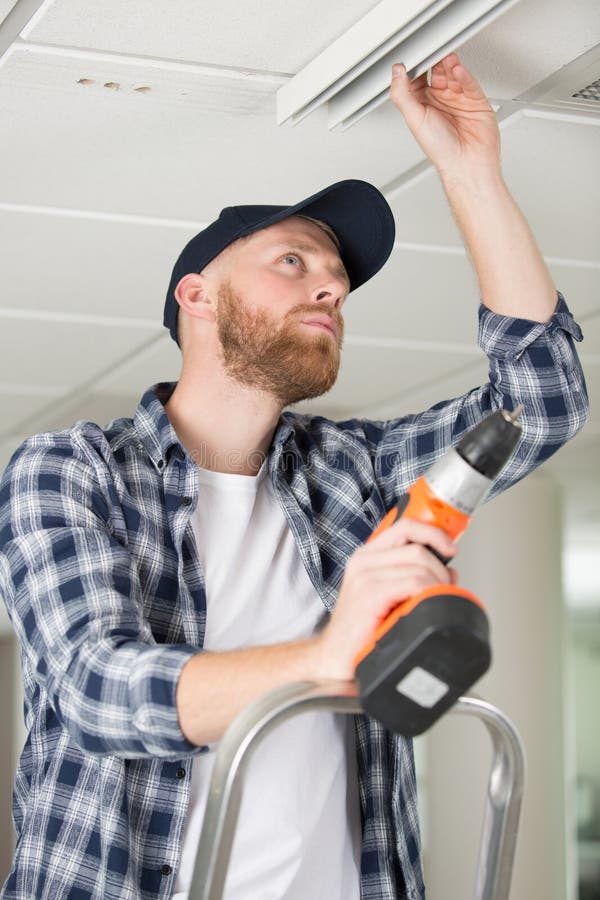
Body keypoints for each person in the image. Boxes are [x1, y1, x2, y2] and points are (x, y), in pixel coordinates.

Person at [0, 54, 589, 900]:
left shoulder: (349, 471)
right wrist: (329, 654)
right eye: (293, 263)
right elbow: (98, 690)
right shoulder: (69, 471)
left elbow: (543, 401)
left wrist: (470, 171)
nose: (331, 287)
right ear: (197, 296)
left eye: (338, 281)